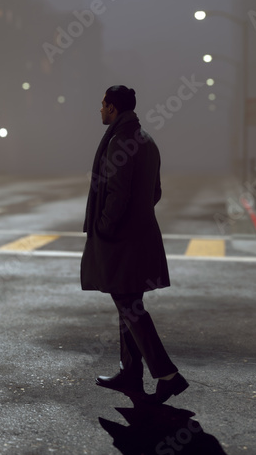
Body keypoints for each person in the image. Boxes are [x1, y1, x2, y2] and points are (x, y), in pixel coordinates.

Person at [81, 85, 188, 403]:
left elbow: (117, 194)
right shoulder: (146, 139)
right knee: (128, 305)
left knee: (129, 306)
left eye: (102, 105)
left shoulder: (119, 141)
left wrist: (104, 226)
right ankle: (130, 371)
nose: (99, 110)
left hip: (122, 241)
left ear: (113, 108)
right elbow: (155, 192)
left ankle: (167, 374)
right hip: (141, 235)